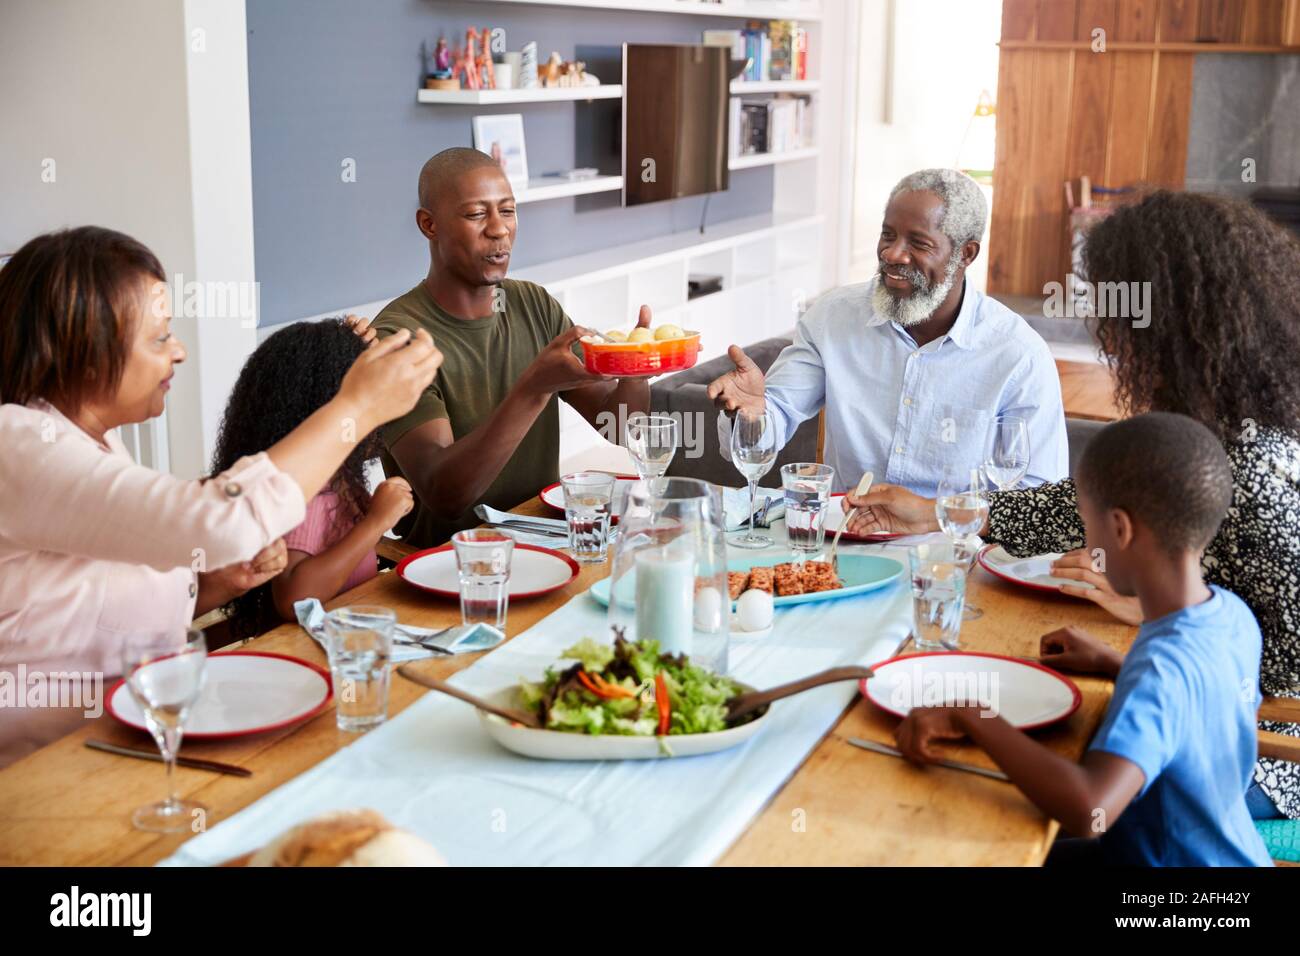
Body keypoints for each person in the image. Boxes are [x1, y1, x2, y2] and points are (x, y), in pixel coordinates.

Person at [846, 189, 1300, 822]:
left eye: (1115, 314)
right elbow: (1095, 509)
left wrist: (1138, 624)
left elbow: (1245, 686)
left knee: (978, 791)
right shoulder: (1224, 424)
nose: (1106, 337)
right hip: (1209, 715)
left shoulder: (1249, 469)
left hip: (1261, 760)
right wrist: (945, 511)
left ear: (1168, 323)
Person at [0, 227, 441, 766]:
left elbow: (98, 601)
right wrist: (358, 407)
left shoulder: (91, 441)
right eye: (159, 338)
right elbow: (217, 520)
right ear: (84, 352)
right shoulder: (18, 443)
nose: (178, 351)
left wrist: (212, 583)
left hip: (129, 739)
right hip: (39, 770)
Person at [896, 413, 1271, 866]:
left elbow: (1091, 811)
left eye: (1087, 525)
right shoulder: (1231, 615)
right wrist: (1115, 663)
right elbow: (1196, 708)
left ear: (1119, 530)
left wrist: (974, 713)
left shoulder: (1161, 670)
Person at [706, 168, 1067, 497]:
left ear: (965, 254)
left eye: (918, 243)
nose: (893, 254)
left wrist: (933, 518)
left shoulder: (1018, 354)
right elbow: (763, 437)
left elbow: (1038, 497)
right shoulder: (833, 318)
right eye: (888, 235)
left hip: (956, 549)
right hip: (844, 542)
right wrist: (750, 416)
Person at [369, 147, 653, 546]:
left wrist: (634, 368)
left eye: (508, 211)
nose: (499, 229)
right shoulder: (397, 340)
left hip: (545, 541)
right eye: (476, 214)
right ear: (429, 225)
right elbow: (445, 494)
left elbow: (623, 427)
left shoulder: (533, 303)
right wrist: (533, 389)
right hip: (450, 565)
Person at [210, 319, 418, 636]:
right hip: (313, 647)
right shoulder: (306, 486)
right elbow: (294, 599)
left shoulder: (338, 473)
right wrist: (376, 522)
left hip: (351, 628)